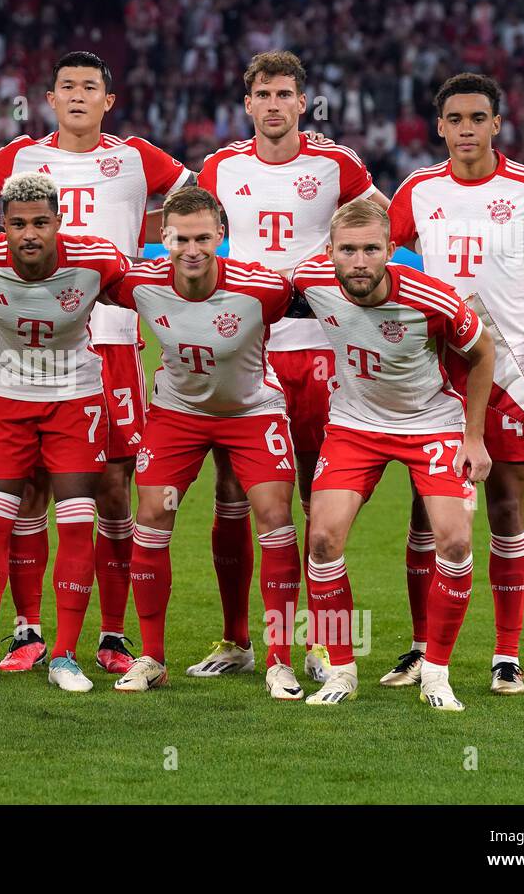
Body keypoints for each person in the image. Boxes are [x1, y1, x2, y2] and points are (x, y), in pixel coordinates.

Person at [0, 51, 190, 675]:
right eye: (66, 86)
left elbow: (188, 194)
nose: (77, 96)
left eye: (90, 87)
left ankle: (113, 635)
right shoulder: (20, 157)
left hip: (113, 336)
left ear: (107, 100)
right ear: (49, 96)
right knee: (29, 486)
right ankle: (27, 630)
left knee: (114, 489)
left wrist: (153, 245)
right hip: (30, 344)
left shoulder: (136, 157)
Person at [192, 50, 389, 682]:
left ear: (302, 103)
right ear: (247, 104)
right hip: (247, 351)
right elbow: (191, 235)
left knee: (316, 498)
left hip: (322, 349)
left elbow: (384, 224)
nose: (273, 105)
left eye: (284, 95)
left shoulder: (337, 165)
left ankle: (316, 641)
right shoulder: (220, 167)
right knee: (234, 494)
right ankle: (236, 640)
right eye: (262, 95)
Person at [385, 72, 524, 694]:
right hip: (435, 373)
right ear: (439, 126)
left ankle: (505, 654)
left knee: (506, 509)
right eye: (454, 120)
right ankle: (420, 648)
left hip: (514, 375)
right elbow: (372, 262)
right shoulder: (417, 190)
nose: (466, 130)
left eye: (477, 118)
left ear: (497, 123)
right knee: (426, 509)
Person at [292, 198, 494, 711]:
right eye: (348, 250)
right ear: (330, 251)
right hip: (355, 425)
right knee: (321, 540)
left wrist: (474, 438)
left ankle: (437, 673)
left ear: (390, 250)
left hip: (433, 425)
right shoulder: (310, 281)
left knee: (454, 542)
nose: (359, 261)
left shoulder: (430, 297)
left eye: (371, 249)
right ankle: (340, 670)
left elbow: (483, 350)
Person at [104, 187, 305, 698]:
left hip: (251, 412)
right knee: (150, 513)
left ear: (221, 235)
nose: (191, 250)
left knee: (275, 518)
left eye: (202, 238)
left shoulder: (262, 289)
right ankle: (151, 657)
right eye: (179, 239)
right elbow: (89, 274)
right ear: (164, 238)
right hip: (179, 415)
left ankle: (279, 658)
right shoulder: (141, 283)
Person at [0, 172, 129, 693]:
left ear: (60, 222)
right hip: (4, 403)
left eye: (41, 222)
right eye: (17, 224)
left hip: (75, 402)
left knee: (74, 525)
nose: (29, 234)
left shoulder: (97, 259)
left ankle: (65, 655)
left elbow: (152, 289)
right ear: (4, 227)